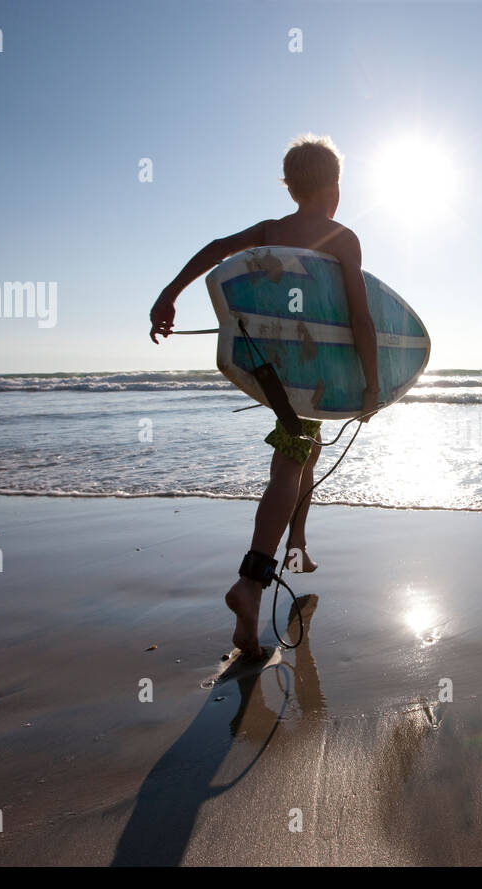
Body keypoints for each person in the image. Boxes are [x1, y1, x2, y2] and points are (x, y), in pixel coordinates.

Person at [149, 134, 380, 661]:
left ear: (291, 187)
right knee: (290, 464)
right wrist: (370, 384)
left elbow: (215, 249)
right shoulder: (343, 237)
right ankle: (251, 582)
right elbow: (360, 317)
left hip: (276, 371)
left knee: (305, 453)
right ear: (335, 185)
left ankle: (297, 544)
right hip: (312, 379)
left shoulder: (272, 230)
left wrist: (169, 295)